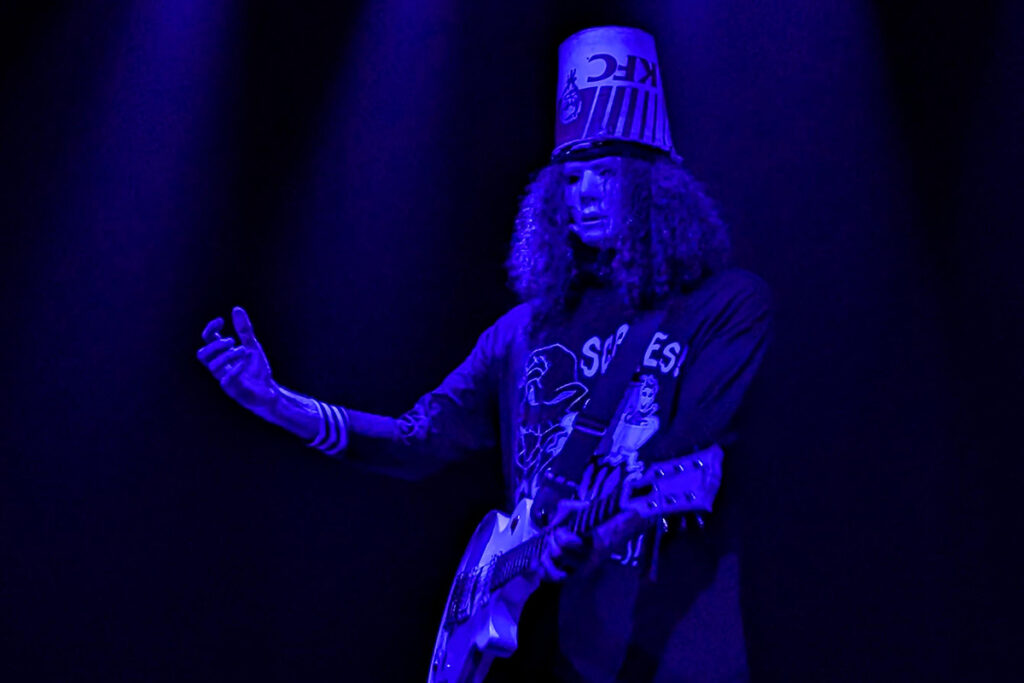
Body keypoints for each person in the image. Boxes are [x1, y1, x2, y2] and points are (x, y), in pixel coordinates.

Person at [198, 26, 771, 682]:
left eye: (606, 173)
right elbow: (417, 440)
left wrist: (599, 526)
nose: (584, 192)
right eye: (571, 176)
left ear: (655, 188)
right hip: (553, 651)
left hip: (678, 653)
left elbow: (691, 459)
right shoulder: (519, 332)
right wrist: (276, 403)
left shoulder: (725, 304)